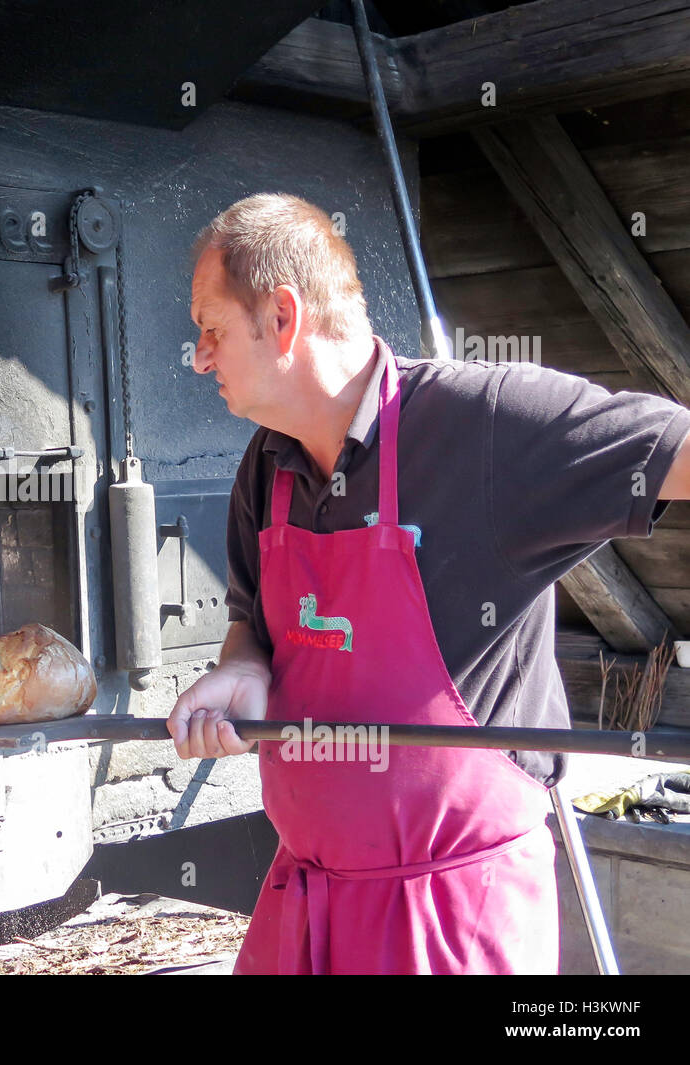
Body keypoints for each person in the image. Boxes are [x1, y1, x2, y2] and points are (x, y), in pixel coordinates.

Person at [167, 193, 690, 975]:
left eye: (211, 327)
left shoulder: (484, 425)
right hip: (306, 910)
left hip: (452, 921)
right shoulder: (265, 467)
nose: (200, 354)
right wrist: (242, 671)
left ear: (283, 316)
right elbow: (254, 627)